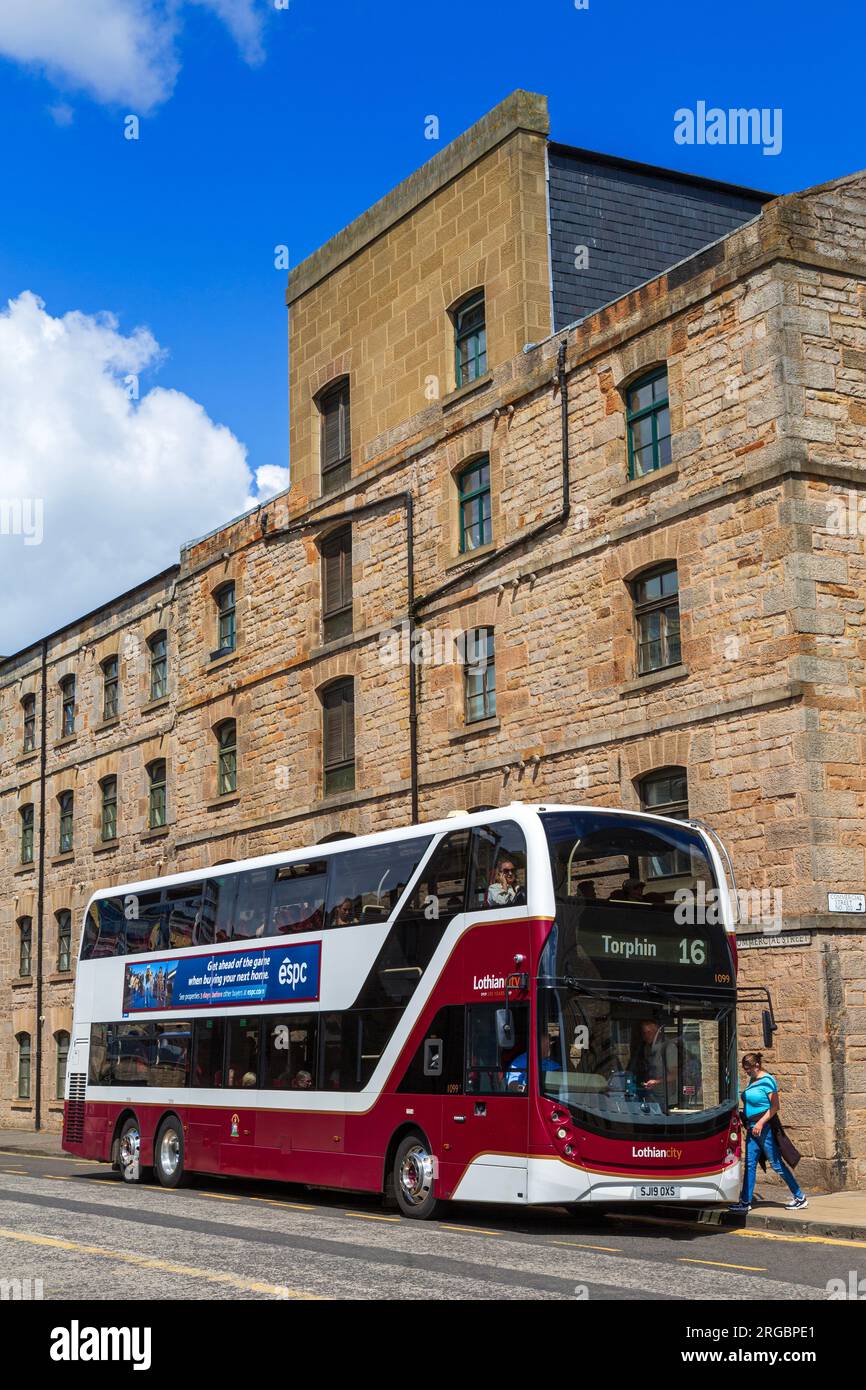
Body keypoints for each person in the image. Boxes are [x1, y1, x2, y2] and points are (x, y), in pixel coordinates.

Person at [730, 1052, 807, 1214]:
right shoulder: (753, 1080)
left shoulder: (767, 1081)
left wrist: (760, 1122)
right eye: (745, 1069)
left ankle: (800, 1197)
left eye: (748, 1069)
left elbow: (774, 1107)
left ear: (757, 1066)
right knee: (749, 1165)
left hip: (763, 1128)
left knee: (776, 1164)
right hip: (752, 1128)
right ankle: (745, 1202)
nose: (746, 1072)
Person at [627, 1019, 678, 1108]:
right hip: (650, 1095)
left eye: (649, 1032)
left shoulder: (668, 1047)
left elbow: (675, 1075)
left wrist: (657, 1082)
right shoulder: (647, 1048)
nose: (646, 1036)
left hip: (666, 1098)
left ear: (656, 1033)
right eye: (644, 1033)